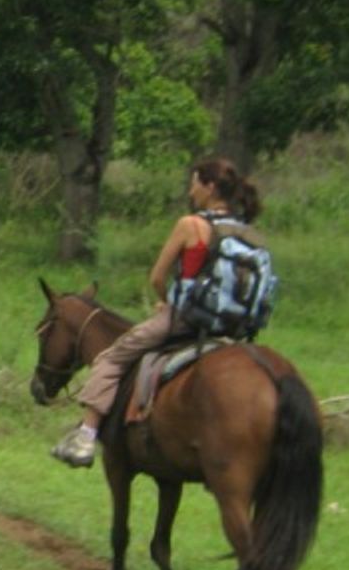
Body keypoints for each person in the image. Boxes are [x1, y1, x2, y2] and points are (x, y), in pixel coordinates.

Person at [50, 155, 262, 468]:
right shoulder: (247, 233)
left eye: (194, 185)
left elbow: (157, 277)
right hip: (231, 327)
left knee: (113, 356)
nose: (191, 193)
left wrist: (166, 300)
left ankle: (85, 436)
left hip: (186, 319)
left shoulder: (191, 224)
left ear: (210, 187)